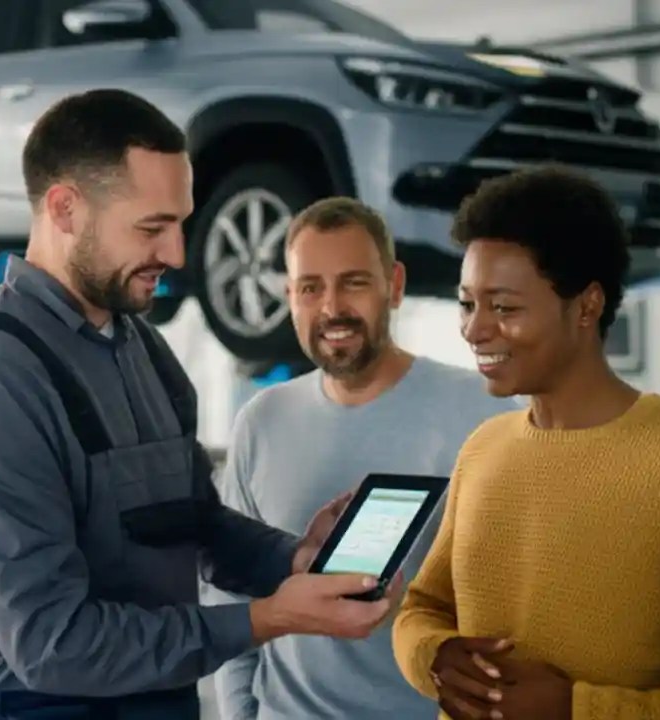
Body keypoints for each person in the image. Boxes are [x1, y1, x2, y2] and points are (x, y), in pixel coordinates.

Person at [0, 88, 397, 720]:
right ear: (65, 209)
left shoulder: (141, 346)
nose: (176, 253)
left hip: (161, 698)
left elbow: (192, 521)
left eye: (180, 224)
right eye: (152, 228)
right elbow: (53, 643)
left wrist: (293, 559)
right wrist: (265, 620)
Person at [393, 165, 660, 720]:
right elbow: (422, 608)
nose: (474, 330)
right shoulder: (482, 449)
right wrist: (435, 655)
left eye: (504, 307)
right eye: (467, 303)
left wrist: (577, 710)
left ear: (588, 306)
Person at [202, 197, 518, 720]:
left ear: (394, 285)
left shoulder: (483, 413)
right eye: (311, 287)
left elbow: (517, 600)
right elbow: (229, 596)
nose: (332, 309)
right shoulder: (261, 421)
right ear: (289, 296)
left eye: (353, 283)